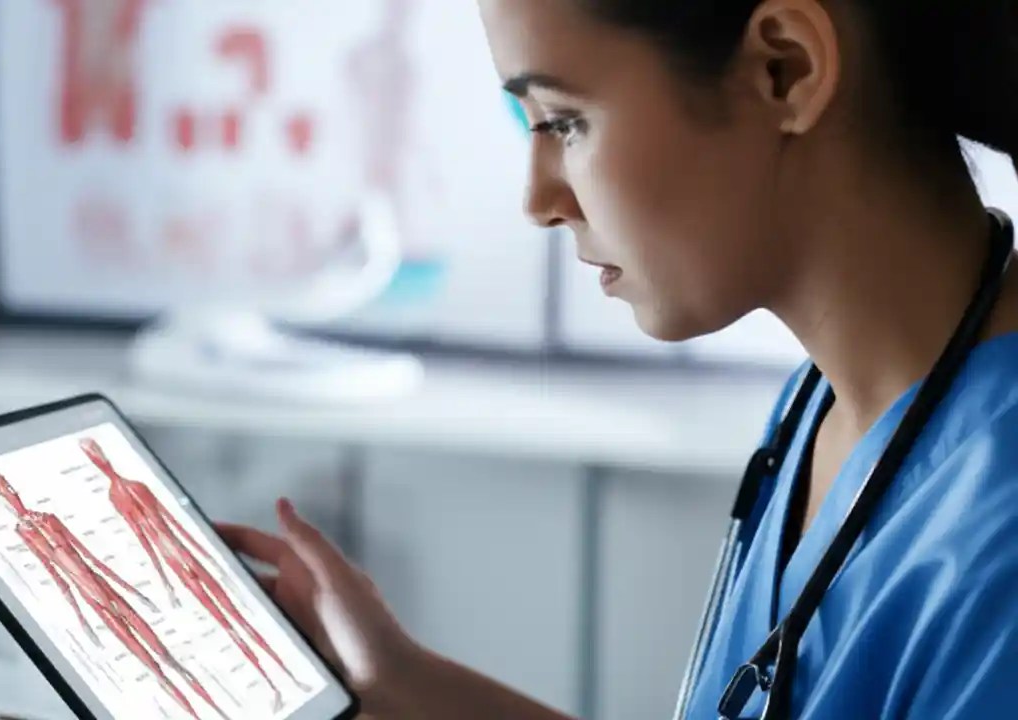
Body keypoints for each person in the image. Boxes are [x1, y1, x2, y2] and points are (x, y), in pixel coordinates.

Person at [218, 1, 1018, 718]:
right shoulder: (822, 410)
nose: (538, 200)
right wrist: (397, 682)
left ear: (786, 70)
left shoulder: (998, 543)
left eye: (564, 122)